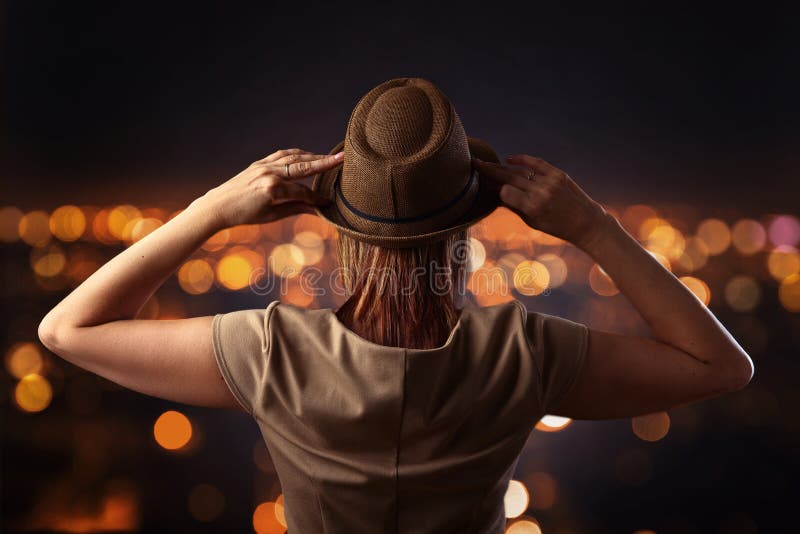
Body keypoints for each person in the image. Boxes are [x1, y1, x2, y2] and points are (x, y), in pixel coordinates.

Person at [38, 78, 754, 533]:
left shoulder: (273, 352)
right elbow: (718, 365)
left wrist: (210, 211)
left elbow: (68, 328)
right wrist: (594, 227)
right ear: (464, 230)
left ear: (348, 233)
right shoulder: (525, 354)